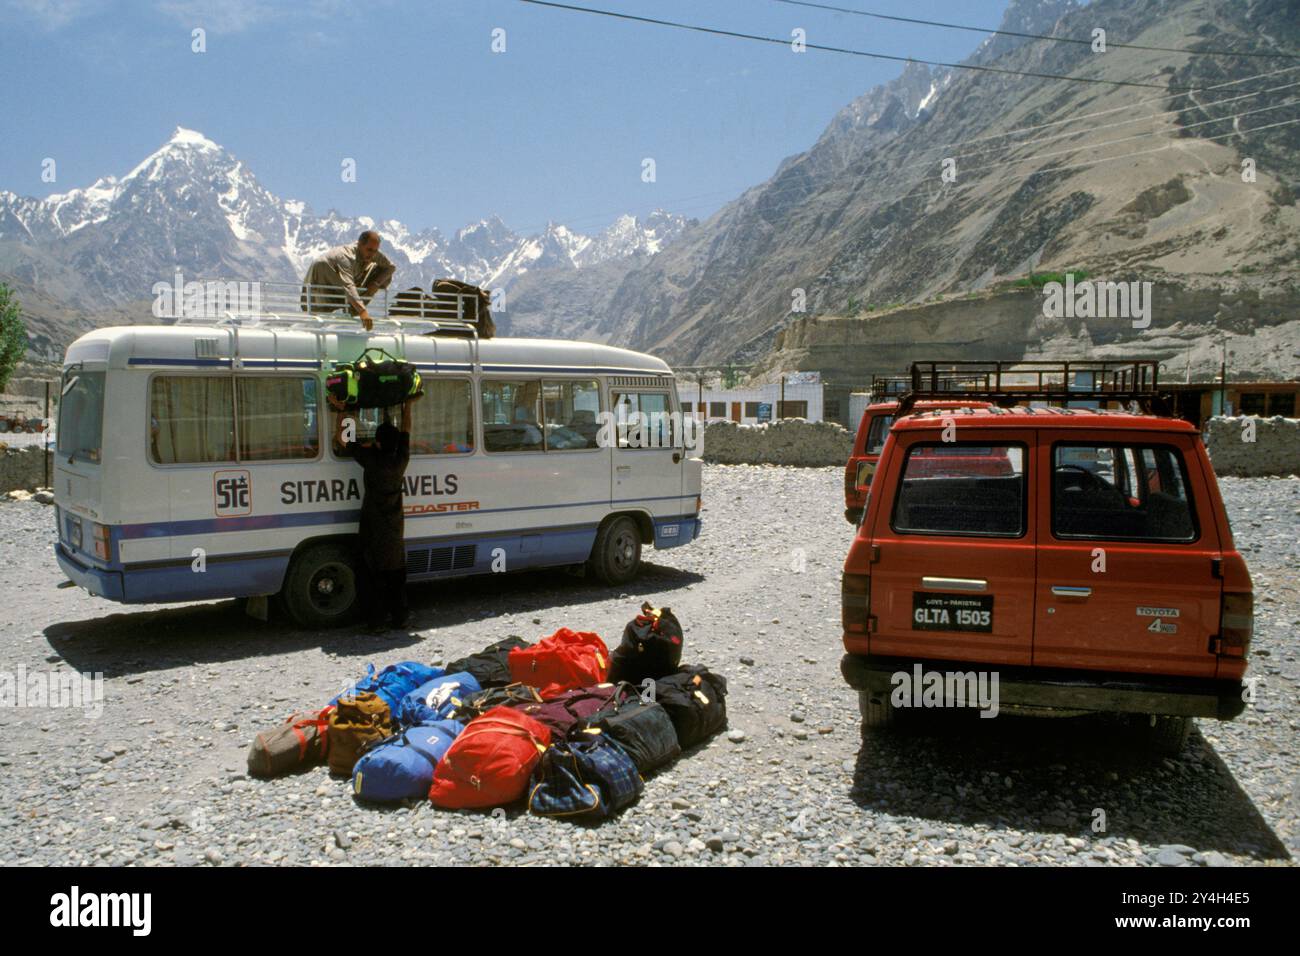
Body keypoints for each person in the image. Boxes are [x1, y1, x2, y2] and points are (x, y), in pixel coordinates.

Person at [332, 393, 422, 631]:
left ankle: (376, 622)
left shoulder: (371, 459)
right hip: (395, 526)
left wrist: (341, 411)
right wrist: (407, 406)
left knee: (373, 577)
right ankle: (400, 618)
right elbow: (406, 430)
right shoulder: (401, 460)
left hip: (373, 526)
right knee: (396, 575)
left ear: (378, 443)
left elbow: (341, 440)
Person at [301, 230, 396, 330]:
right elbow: (348, 285)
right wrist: (363, 312)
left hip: (340, 286)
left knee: (384, 274)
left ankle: (352, 310)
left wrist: (376, 283)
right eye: (369, 250)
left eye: (375, 251)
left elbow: (391, 267)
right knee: (322, 310)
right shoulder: (346, 256)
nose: (372, 254)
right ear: (359, 245)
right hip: (321, 281)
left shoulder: (372, 253)